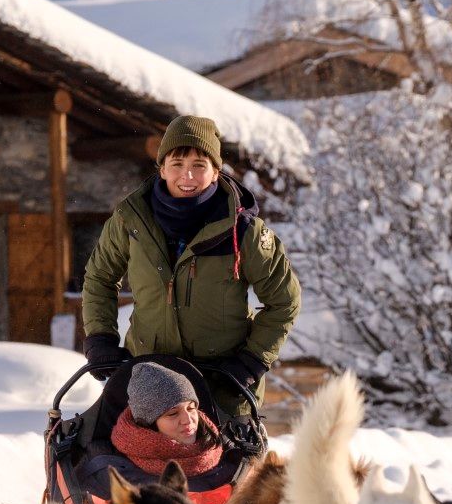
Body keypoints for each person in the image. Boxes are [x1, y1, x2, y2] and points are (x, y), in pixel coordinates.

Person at [80, 115, 302, 417]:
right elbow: (100, 279)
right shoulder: (129, 220)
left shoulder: (244, 232)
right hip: (148, 380)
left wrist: (251, 361)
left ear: (215, 172)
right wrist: (101, 338)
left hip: (221, 384)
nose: (187, 175)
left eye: (199, 165)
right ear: (162, 169)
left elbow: (284, 300)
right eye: (177, 164)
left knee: (217, 463)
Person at [75, 362, 238, 504]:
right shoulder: (108, 474)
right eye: (173, 413)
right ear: (149, 424)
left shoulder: (231, 460)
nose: (188, 419)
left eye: (191, 408)